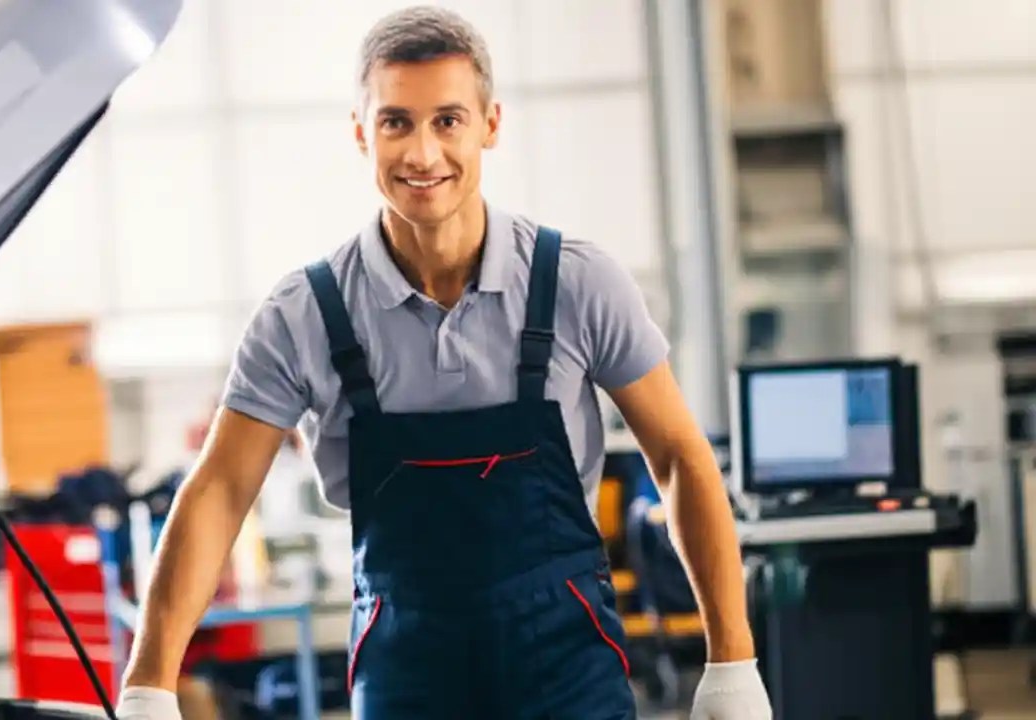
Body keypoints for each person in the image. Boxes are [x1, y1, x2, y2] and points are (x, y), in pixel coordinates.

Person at [117, 6, 771, 719]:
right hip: (408, 673)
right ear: (361, 132)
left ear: (490, 124)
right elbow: (218, 489)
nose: (423, 154)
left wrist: (732, 661)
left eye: (448, 121)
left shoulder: (576, 284)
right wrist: (149, 682)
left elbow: (679, 455)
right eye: (396, 122)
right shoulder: (301, 316)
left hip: (567, 666)